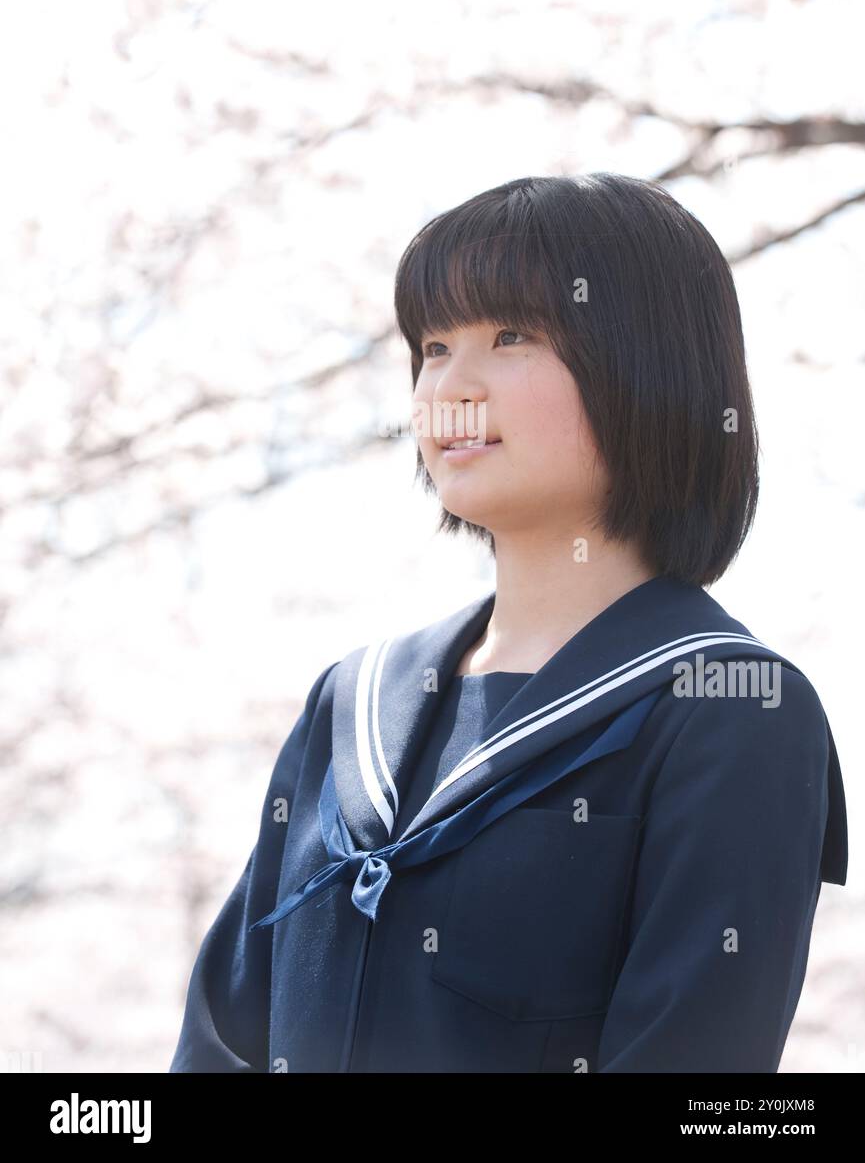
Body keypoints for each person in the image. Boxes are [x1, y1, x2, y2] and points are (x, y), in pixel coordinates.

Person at [169, 173, 847, 1073]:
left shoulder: (728, 708)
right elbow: (223, 1037)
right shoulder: (352, 704)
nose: (450, 385)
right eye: (433, 345)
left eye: (512, 335)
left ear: (647, 365)